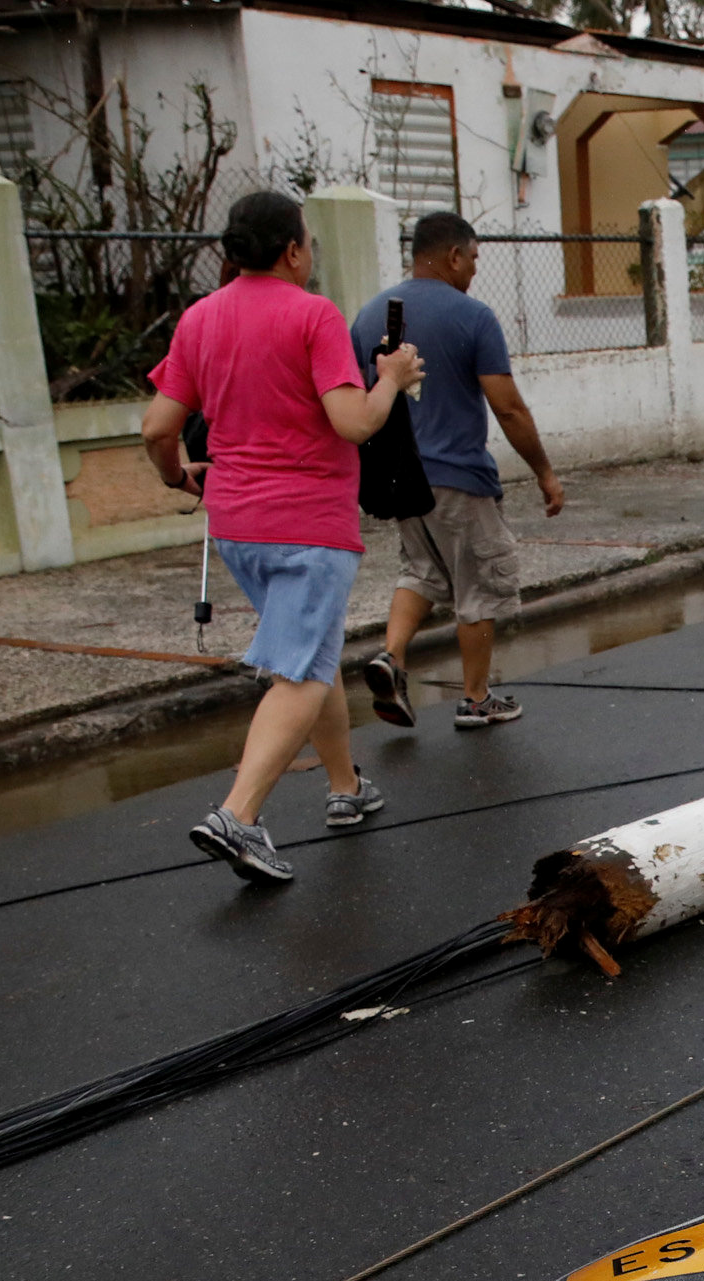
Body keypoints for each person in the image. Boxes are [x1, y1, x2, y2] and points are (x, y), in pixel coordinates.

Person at [141, 188, 425, 885]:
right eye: (308, 246)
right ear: (294, 250)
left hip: (236, 522)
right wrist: (391, 379)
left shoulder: (200, 319)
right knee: (298, 668)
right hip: (309, 524)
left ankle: (345, 787)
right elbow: (354, 422)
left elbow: (157, 427)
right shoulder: (312, 315)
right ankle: (237, 816)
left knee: (311, 652)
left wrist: (179, 476)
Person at [348, 210, 566, 732]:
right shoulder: (474, 317)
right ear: (451, 256)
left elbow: (360, 399)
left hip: (398, 477)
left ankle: (392, 658)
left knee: (420, 571)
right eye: (471, 259)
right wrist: (544, 472)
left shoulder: (366, 316)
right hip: (458, 477)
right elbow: (507, 407)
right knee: (478, 586)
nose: (472, 270)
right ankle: (475, 698)